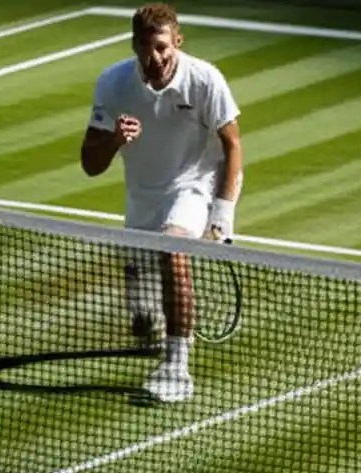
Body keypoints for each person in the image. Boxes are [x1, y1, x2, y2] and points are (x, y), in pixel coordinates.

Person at [79, 2, 243, 403]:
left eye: (163, 48)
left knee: (173, 252)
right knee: (141, 321)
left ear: (178, 42)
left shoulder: (205, 80)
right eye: (145, 48)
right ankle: (151, 319)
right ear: (134, 46)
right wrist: (116, 140)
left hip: (194, 186)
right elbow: (90, 164)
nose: (154, 58)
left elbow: (232, 143)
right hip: (142, 196)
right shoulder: (113, 84)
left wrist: (222, 214)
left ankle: (177, 366)